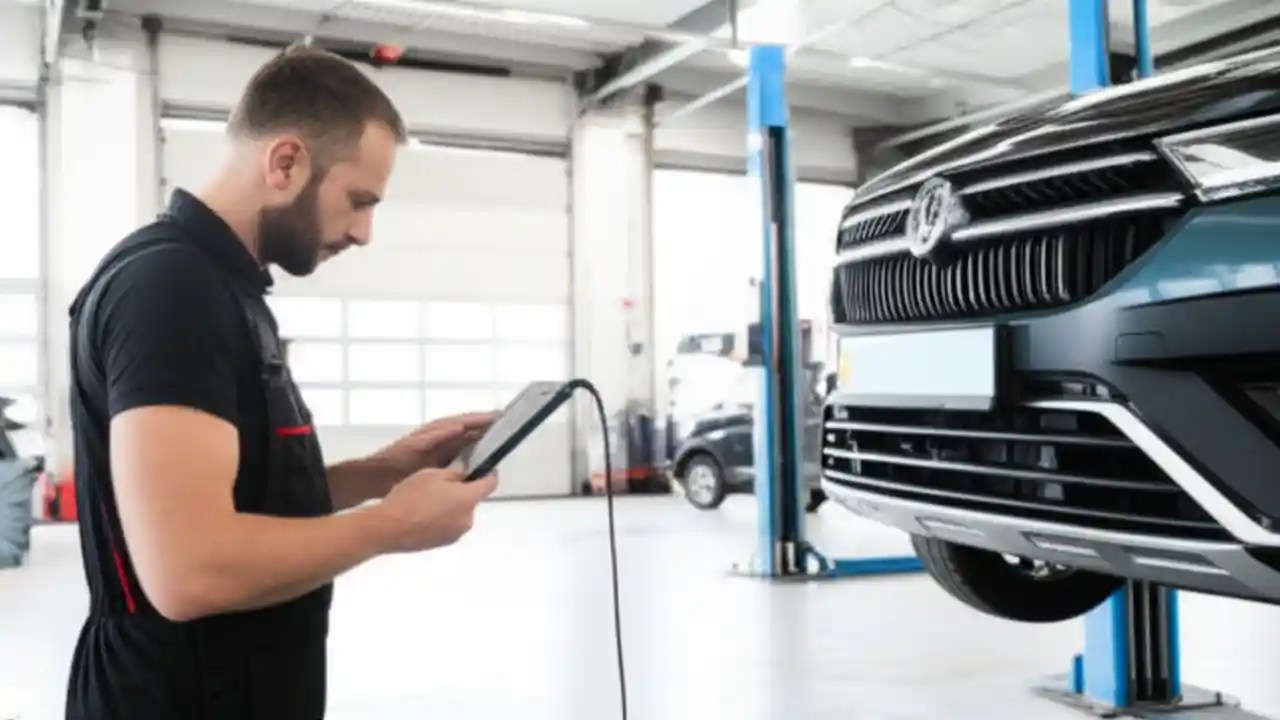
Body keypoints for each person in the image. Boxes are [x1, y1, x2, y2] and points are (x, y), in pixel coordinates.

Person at [64, 44, 498, 719]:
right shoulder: (171, 289)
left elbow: (239, 499)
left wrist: (380, 473)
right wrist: (390, 525)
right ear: (286, 163)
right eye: (358, 200)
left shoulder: (223, 289)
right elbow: (190, 569)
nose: (364, 233)